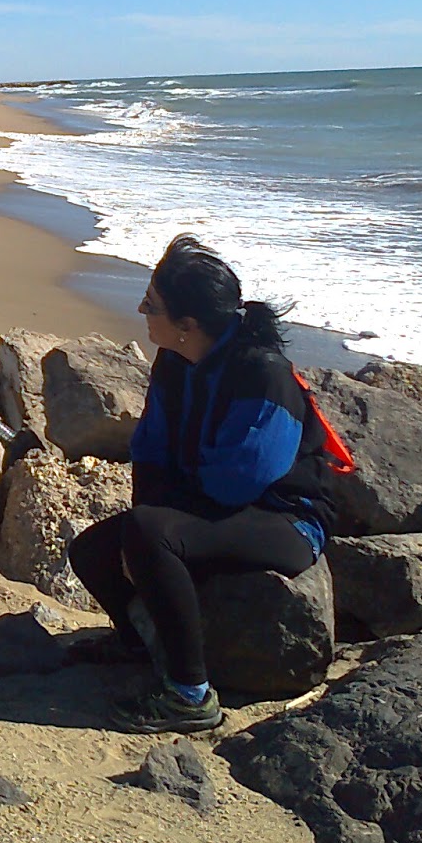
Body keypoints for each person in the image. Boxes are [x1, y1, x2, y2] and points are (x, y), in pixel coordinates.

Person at [66, 235, 339, 734]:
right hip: (214, 498)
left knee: (151, 532)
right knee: (91, 550)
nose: (141, 311)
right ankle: (138, 643)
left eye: (151, 305)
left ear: (187, 325)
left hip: (286, 517)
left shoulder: (262, 374)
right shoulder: (175, 362)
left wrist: (163, 525)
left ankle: (190, 696)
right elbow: (150, 448)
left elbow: (241, 480)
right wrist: (150, 521)